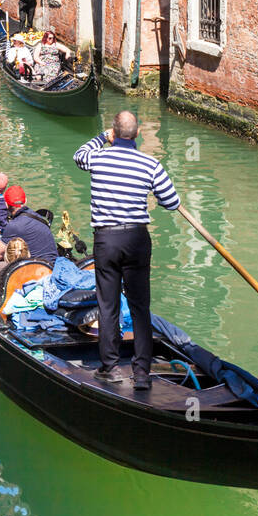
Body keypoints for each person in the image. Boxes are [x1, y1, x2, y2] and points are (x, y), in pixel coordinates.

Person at [74, 110, 180, 390]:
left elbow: (79, 155)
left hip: (106, 240)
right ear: (138, 132)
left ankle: (109, 368)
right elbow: (170, 201)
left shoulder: (97, 157)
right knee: (140, 307)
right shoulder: (150, 164)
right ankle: (142, 374)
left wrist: (101, 138)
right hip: (137, 239)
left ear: (113, 131)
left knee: (108, 306)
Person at [0, 187, 58, 290]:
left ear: (6, 204)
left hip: (36, 274)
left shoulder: (14, 225)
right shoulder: (39, 217)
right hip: (52, 268)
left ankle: (2, 295)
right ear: (25, 201)